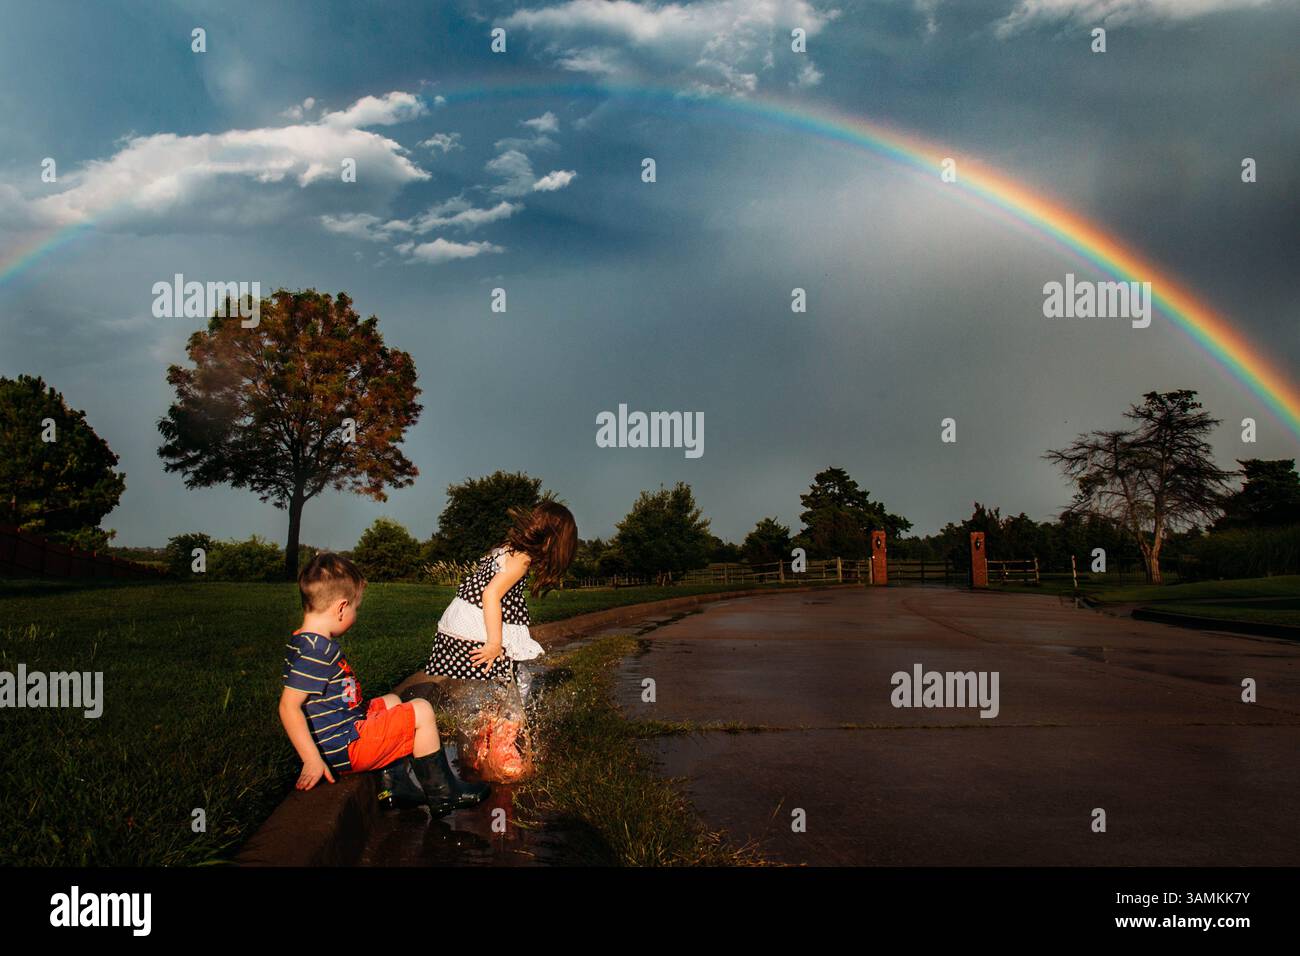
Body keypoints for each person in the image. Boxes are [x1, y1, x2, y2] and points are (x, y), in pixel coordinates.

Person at [279, 552, 488, 815]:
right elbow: (288, 707)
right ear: (341, 608)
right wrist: (311, 760)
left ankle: (394, 787)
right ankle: (443, 794)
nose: (356, 614)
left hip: (344, 731)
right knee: (421, 709)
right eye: (356, 608)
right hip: (344, 746)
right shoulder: (317, 650)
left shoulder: (306, 641)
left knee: (391, 702)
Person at [424, 500, 577, 778]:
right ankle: (504, 753)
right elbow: (491, 595)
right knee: (518, 684)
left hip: (462, 620)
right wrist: (494, 643)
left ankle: (479, 744)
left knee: (499, 686)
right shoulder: (521, 560)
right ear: (555, 542)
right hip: (478, 626)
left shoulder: (508, 548)